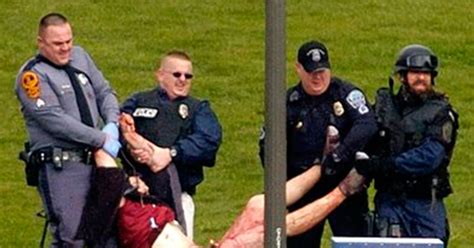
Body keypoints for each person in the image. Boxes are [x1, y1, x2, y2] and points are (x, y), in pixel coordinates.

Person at [14, 13, 122, 246]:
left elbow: (105, 91)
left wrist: (113, 122)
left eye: (68, 41)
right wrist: (102, 138)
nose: (65, 49)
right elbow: (55, 120)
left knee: (107, 235)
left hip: (96, 162)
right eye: (57, 44)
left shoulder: (80, 57)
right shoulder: (32, 76)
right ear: (40, 42)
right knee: (72, 237)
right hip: (63, 168)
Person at [259, 40, 377, 247]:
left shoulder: (345, 93)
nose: (318, 77)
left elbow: (367, 124)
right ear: (298, 69)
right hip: (304, 190)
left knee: (353, 241)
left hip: (345, 185)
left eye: (322, 71)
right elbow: (268, 150)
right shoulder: (287, 104)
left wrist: (339, 155)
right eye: (311, 71)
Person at [354, 44, 459, 246]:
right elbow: (365, 136)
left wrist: (387, 164)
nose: (421, 78)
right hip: (389, 201)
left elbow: (431, 156)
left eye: (426, 74)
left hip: (425, 203)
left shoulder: (441, 113)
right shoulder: (385, 108)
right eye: (415, 73)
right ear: (402, 76)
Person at [120, 50, 222, 238]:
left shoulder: (198, 109)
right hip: (137, 196)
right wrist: (132, 149)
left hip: (178, 197)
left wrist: (171, 153)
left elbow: (208, 141)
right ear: (160, 75)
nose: (183, 80)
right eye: (177, 74)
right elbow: (118, 131)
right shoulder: (138, 101)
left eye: (188, 76)